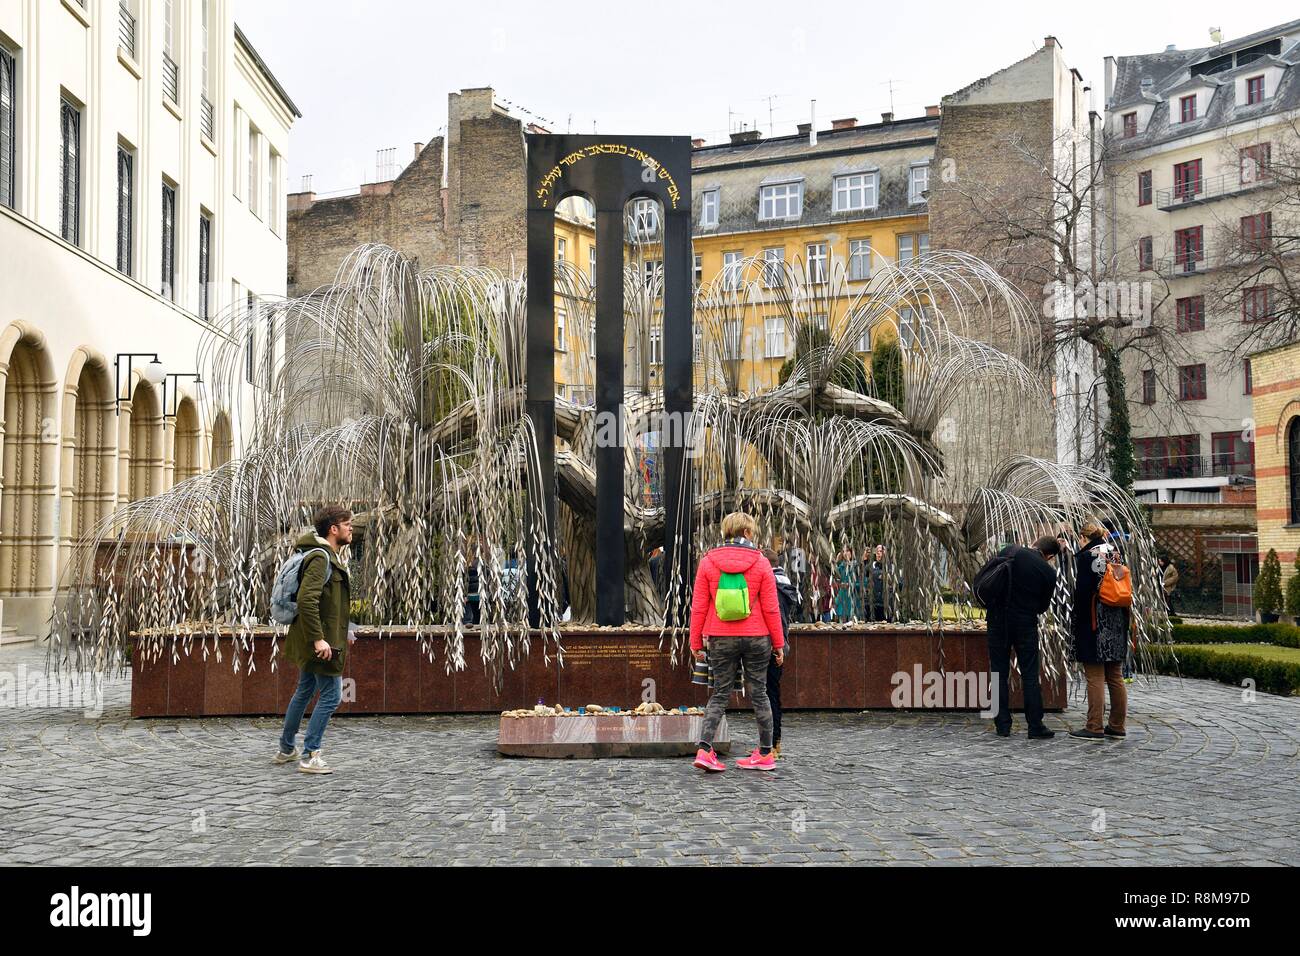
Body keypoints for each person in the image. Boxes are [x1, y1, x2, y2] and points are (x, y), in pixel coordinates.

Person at [690, 512, 787, 773]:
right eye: (752, 532)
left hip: (720, 636)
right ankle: (766, 754)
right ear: (746, 533)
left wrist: (695, 643)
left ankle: (705, 750)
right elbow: (771, 608)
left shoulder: (708, 562)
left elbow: (699, 606)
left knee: (720, 693)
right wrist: (778, 644)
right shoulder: (761, 562)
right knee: (759, 693)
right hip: (757, 637)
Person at [276, 506, 354, 774]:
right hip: (320, 642)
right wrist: (320, 640)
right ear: (333, 529)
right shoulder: (321, 558)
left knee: (305, 689)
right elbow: (307, 600)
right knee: (331, 696)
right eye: (347, 524)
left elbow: (329, 604)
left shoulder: (324, 555)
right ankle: (310, 755)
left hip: (315, 637)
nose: (351, 529)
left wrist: (346, 629)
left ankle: (286, 748)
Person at [986, 535, 1061, 740]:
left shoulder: (1010, 551)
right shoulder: (1048, 572)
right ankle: (1035, 725)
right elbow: (1043, 607)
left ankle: (1002, 725)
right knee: (1029, 673)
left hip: (997, 620)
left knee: (998, 672)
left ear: (1035, 543)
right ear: (1050, 556)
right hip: (1025, 623)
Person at [1070, 521, 1129, 741]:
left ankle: (1094, 726)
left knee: (1094, 675)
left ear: (1083, 538)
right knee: (1115, 675)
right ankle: (1117, 725)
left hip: (1094, 622)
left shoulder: (1087, 557)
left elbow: (1083, 594)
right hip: (1116, 619)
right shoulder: (1114, 553)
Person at [762, 548, 801, 758]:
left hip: (771, 645)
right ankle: (773, 742)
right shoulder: (784, 583)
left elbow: (774, 618)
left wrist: (775, 644)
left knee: (769, 695)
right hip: (779, 644)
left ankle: (772, 743)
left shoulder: (773, 586)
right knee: (771, 693)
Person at [833, 547, 861, 621]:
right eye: (843, 551)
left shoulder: (857, 566)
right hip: (842, 598)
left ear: (851, 552)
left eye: (847, 551)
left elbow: (863, 583)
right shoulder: (840, 567)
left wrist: (851, 585)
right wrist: (836, 561)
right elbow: (834, 578)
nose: (845, 553)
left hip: (853, 598)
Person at [866, 544, 891, 623]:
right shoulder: (871, 566)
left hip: (886, 604)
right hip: (873, 604)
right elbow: (860, 573)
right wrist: (864, 559)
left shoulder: (891, 567)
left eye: (881, 551)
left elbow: (899, 584)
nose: (878, 553)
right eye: (877, 551)